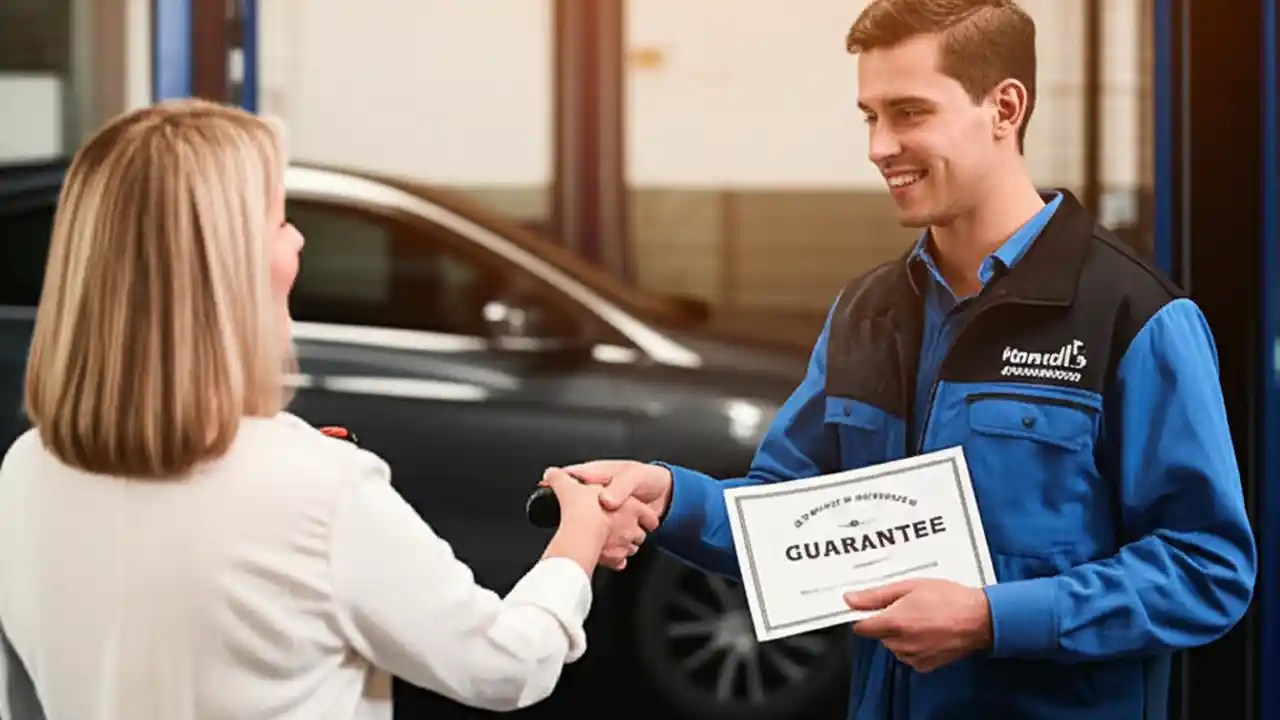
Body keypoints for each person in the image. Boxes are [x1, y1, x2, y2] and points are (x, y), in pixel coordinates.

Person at [563, 0, 1257, 717]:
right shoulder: (868, 313)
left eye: (909, 112)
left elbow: (1206, 569)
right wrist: (672, 500)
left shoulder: (1135, 317)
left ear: (1005, 107)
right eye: (870, 116)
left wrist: (992, 617)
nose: (879, 145)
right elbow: (789, 525)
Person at [0, 99, 657, 720]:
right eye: (280, 221)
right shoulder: (322, 488)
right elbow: (506, 666)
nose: (299, 243)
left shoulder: (24, 473)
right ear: (228, 265)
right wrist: (579, 536)